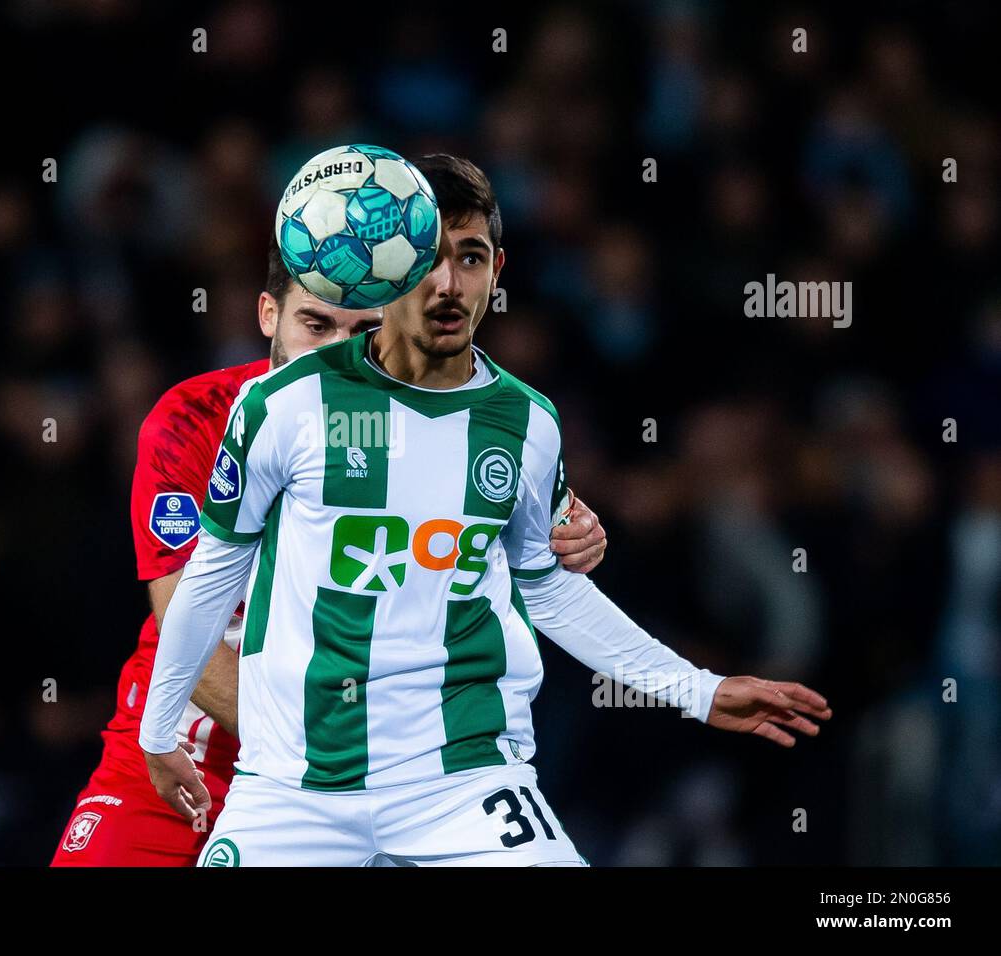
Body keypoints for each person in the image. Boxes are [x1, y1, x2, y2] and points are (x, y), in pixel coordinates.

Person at [139, 154, 831, 867]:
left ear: (497, 269)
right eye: (429, 259)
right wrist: (158, 733)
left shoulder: (527, 424)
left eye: (470, 258)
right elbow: (211, 579)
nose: (447, 283)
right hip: (292, 788)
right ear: (389, 268)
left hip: (463, 781)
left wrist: (699, 691)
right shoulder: (284, 406)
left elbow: (552, 590)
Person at [51, 234, 609, 865]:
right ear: (269, 316)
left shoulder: (442, 429)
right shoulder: (194, 420)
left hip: (376, 775)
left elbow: (527, 538)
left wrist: (572, 530)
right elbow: (187, 625)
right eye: (315, 325)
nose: (337, 356)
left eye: (363, 329)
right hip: (188, 755)